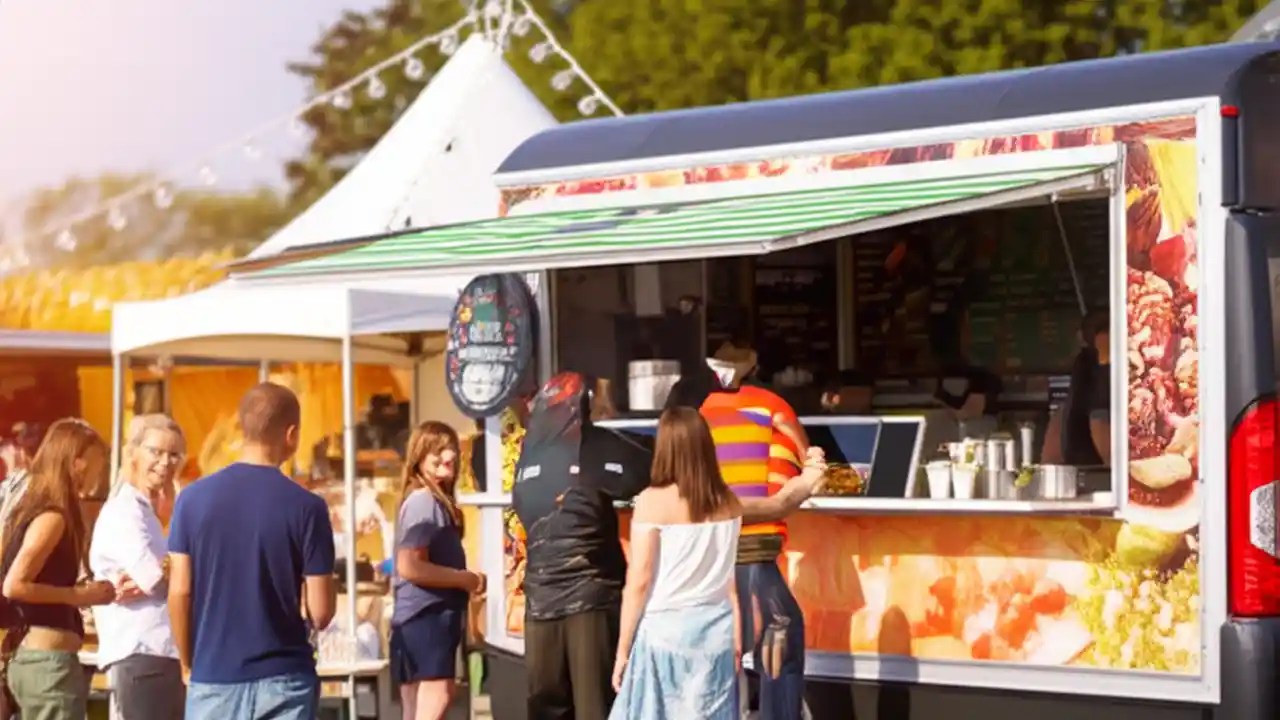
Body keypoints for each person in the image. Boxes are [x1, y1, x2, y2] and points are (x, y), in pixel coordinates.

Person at [609, 408, 828, 720]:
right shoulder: (727, 502)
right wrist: (809, 476)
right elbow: (778, 505)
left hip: (665, 632)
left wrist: (622, 651)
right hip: (716, 634)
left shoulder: (651, 501)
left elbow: (639, 582)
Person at [168, 382, 336, 720]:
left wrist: (187, 663)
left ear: (242, 428)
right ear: (291, 434)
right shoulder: (308, 507)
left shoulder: (191, 500)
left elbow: (180, 591)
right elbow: (320, 612)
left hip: (214, 674)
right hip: (285, 675)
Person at [513, 372, 653, 720]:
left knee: (547, 706)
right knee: (594, 706)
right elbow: (647, 469)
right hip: (590, 597)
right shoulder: (596, 444)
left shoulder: (529, 454)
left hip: (541, 600)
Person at [699, 345, 818, 720]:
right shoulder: (770, 404)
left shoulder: (697, 410)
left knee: (726, 648)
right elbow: (809, 460)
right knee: (781, 636)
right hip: (756, 547)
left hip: (708, 551)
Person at [0, 419, 118, 720]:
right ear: (77, 463)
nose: (99, 472)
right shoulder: (52, 516)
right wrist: (80, 596)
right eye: (97, 462)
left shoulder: (41, 510)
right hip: (47, 664)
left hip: (37, 660)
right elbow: (15, 585)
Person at [89, 414, 187, 720]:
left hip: (160, 654)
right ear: (133, 453)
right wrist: (179, 567)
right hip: (144, 654)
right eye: (156, 452)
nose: (165, 462)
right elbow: (154, 578)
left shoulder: (148, 515)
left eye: (174, 455)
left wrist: (170, 568)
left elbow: (159, 576)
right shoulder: (125, 511)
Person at [391, 421, 485, 720]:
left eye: (452, 449)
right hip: (427, 616)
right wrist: (464, 579)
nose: (449, 456)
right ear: (419, 456)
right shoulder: (424, 502)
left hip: (416, 619)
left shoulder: (425, 499)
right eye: (438, 450)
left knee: (416, 707)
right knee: (437, 695)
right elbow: (409, 565)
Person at [1042, 310, 1112, 466]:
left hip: (1080, 465)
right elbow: (1099, 420)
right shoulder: (1097, 371)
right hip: (1096, 469)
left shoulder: (1084, 365)